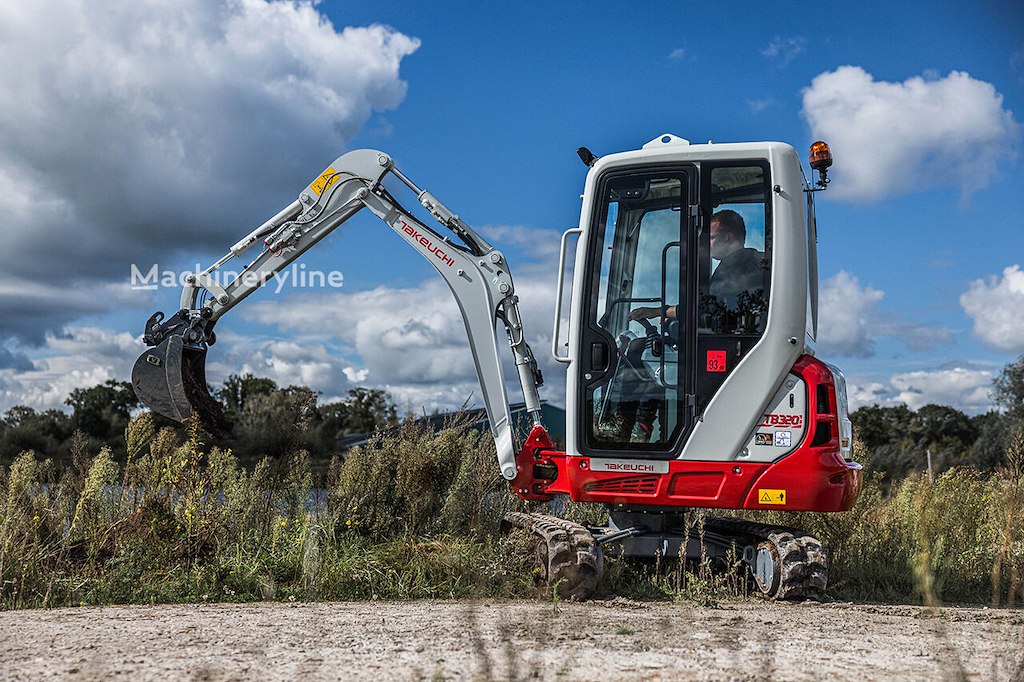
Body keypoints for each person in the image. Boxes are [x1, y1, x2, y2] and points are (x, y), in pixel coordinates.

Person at [627, 209, 763, 323]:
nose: (705, 244)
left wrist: (659, 312)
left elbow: (706, 309)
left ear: (729, 238)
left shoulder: (731, 269)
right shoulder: (759, 261)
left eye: (711, 238)